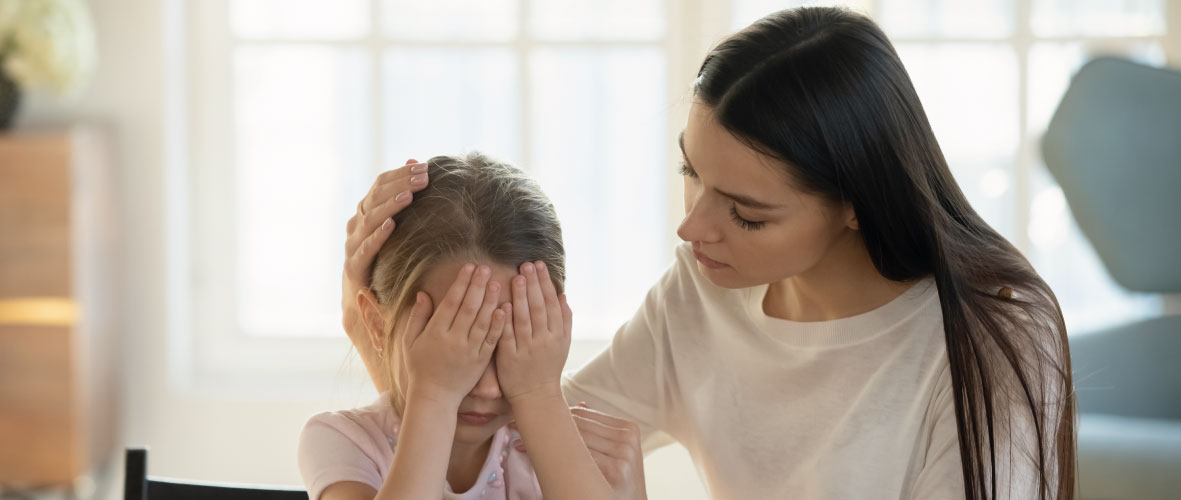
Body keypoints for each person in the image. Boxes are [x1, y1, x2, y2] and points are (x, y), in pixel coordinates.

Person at [341, 7, 1075, 500]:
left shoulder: (993, 340)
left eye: (746, 214)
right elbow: (495, 434)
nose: (692, 230)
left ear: (857, 204)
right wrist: (370, 319)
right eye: (691, 173)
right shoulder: (702, 292)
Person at [300, 153, 621, 500]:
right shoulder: (345, 441)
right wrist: (434, 394)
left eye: (511, 346)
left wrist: (538, 393)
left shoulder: (555, 444)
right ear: (377, 324)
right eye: (454, 345)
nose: (486, 388)